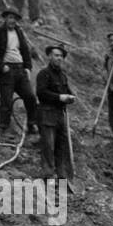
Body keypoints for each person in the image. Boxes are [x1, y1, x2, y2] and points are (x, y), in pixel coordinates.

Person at [0, 8, 39, 137]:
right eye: (10, 18)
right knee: (6, 100)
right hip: (7, 71)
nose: (12, 21)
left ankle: (31, 124)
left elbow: (25, 50)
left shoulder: (19, 33)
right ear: (5, 19)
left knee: (30, 97)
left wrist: (27, 67)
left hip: (20, 70)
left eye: (15, 18)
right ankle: (3, 126)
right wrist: (1, 65)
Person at [35, 43, 75, 180]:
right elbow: (41, 93)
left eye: (61, 56)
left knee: (61, 145)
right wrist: (59, 97)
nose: (59, 58)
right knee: (48, 146)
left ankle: (61, 175)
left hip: (60, 114)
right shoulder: (43, 74)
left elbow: (67, 91)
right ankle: (48, 175)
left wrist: (70, 97)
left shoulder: (63, 76)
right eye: (56, 55)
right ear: (50, 57)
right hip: (47, 114)